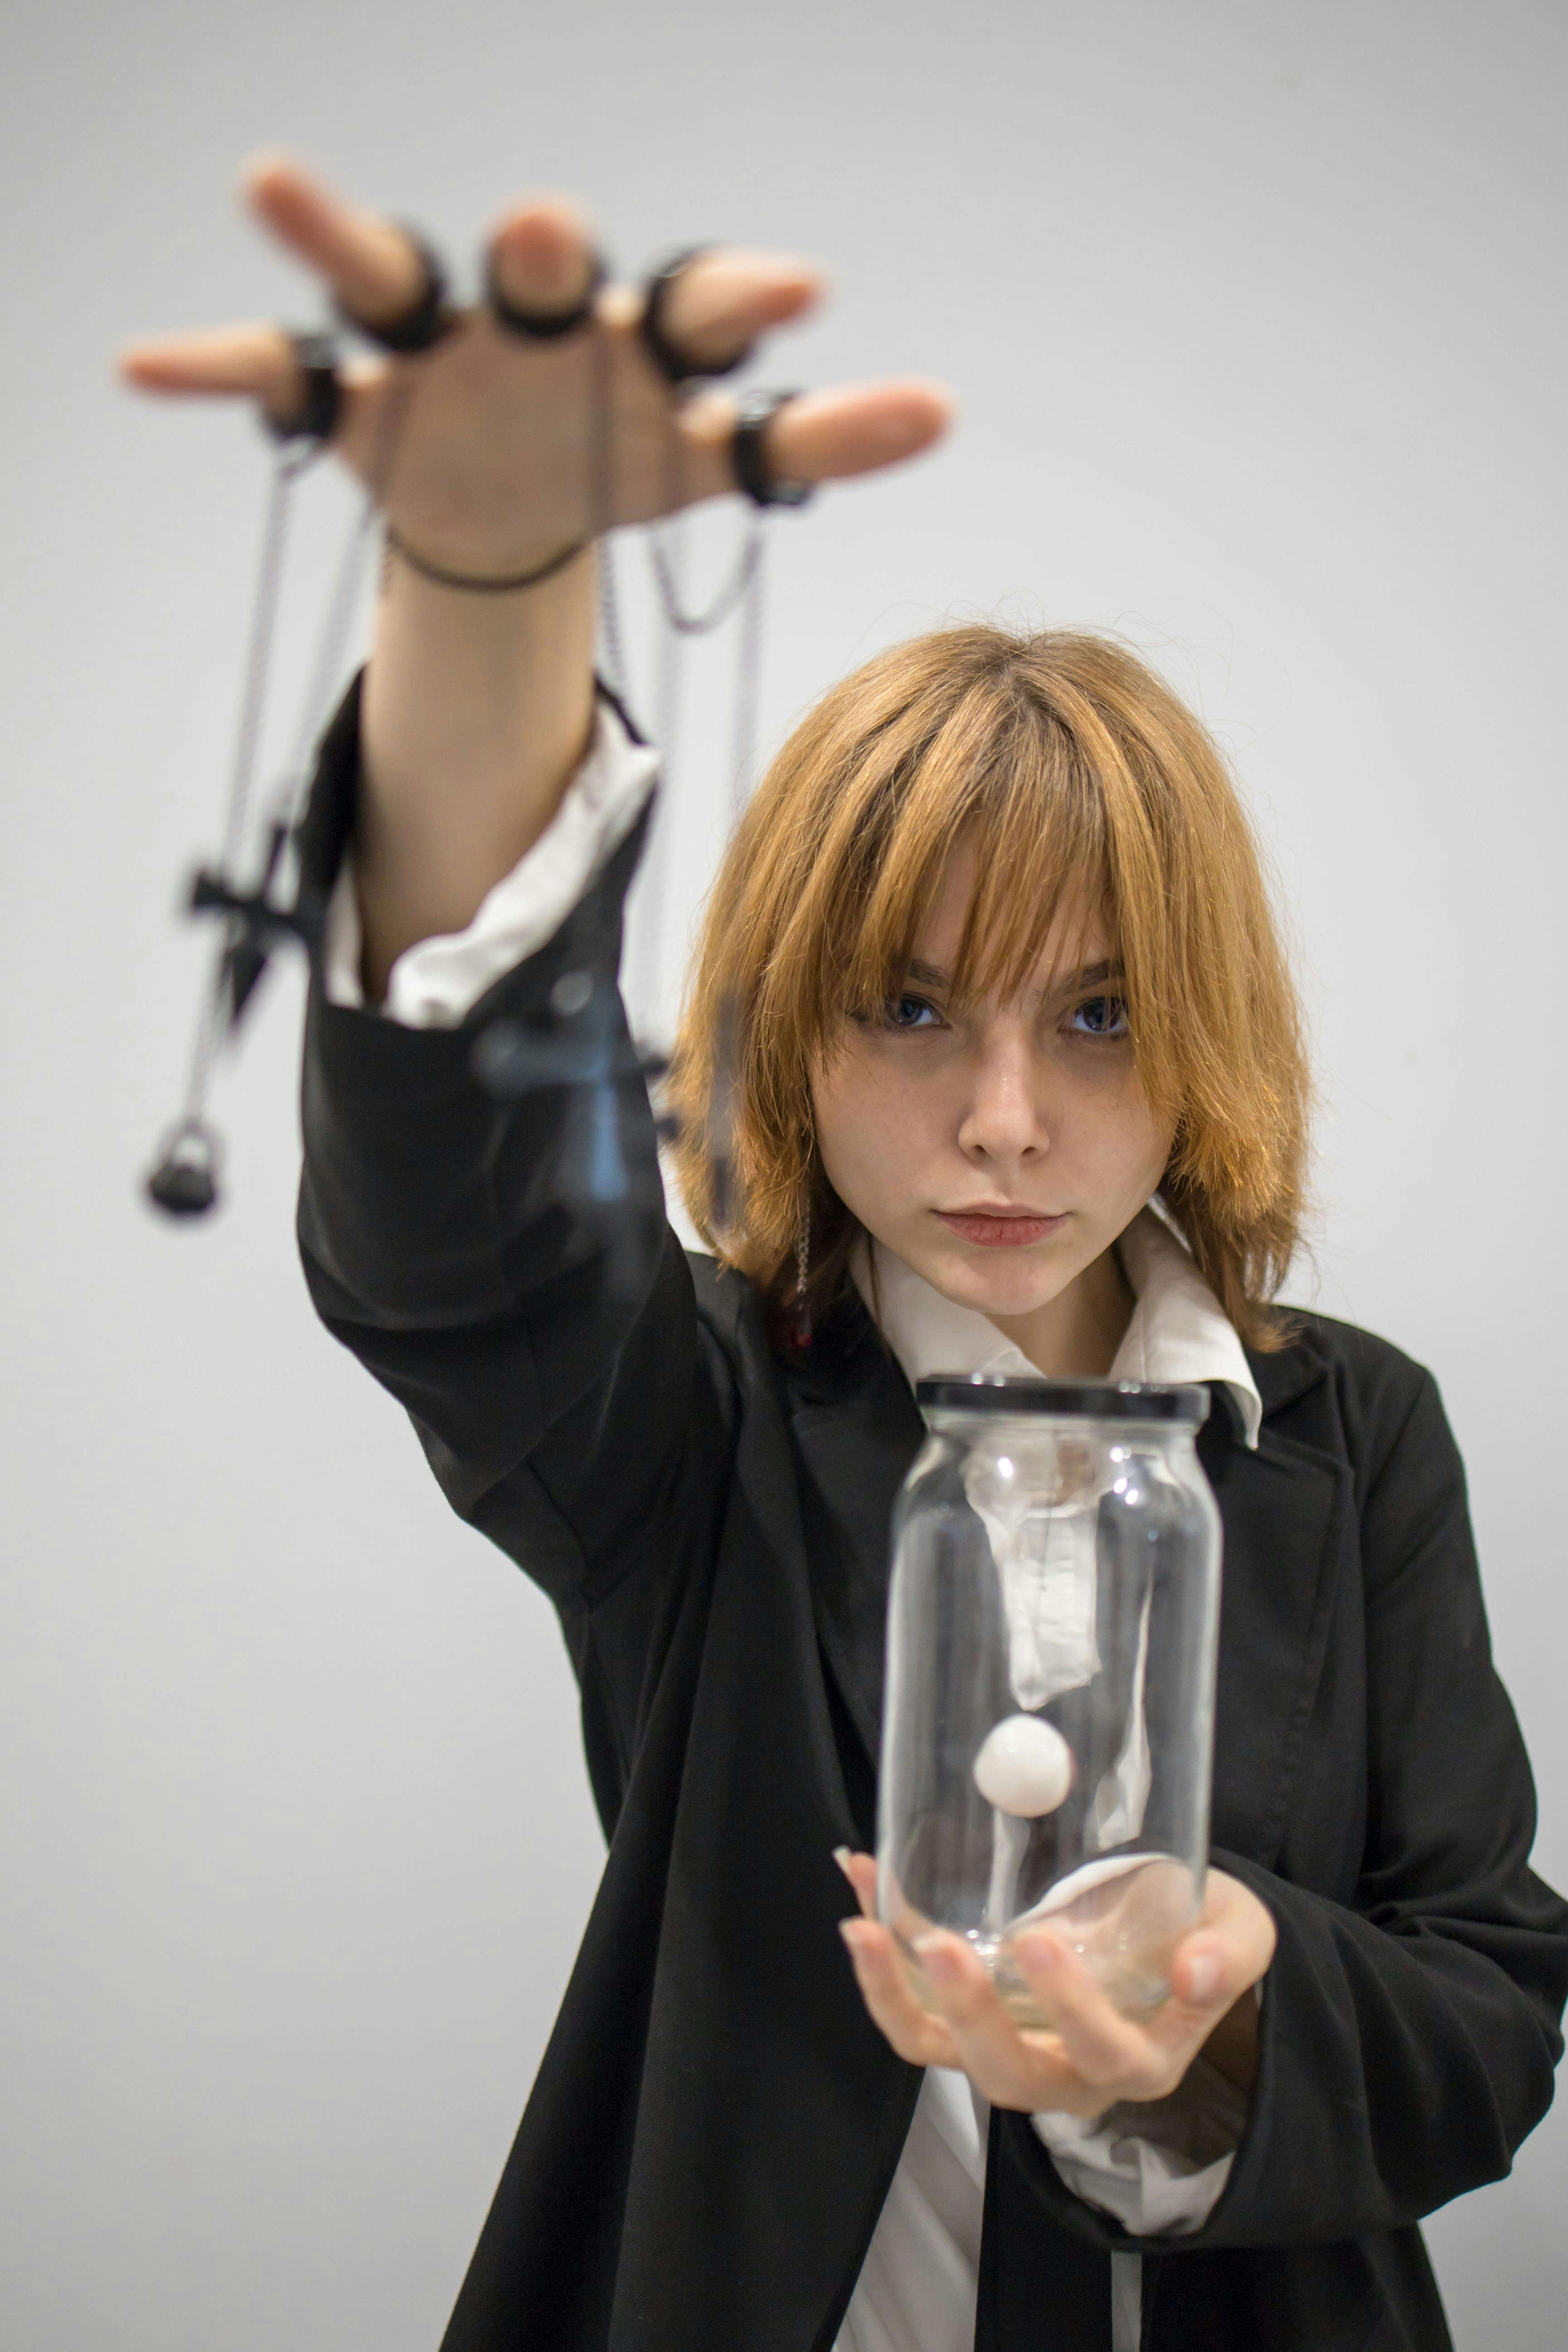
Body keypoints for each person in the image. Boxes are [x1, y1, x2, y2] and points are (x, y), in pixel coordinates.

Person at [123, 158, 1568, 2352]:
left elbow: (1489, 2002)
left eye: (1096, 1014)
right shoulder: (699, 1413)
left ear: (1204, 1034)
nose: (1004, 1116)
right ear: (794, 1027)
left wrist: (1241, 1985)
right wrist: (491, 573)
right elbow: (460, 1207)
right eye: (911, 1005)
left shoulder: (1352, 1433)